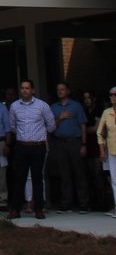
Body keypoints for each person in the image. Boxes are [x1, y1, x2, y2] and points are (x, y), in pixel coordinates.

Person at [6, 79, 55, 220]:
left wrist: (40, 133)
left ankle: (38, 209)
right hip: (21, 146)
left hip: (38, 146)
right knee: (19, 178)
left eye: (27, 88)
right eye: (22, 88)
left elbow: (51, 125)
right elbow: (13, 126)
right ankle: (15, 209)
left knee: (37, 178)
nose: (24, 90)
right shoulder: (14, 106)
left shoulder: (42, 106)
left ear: (32, 90)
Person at [49, 82, 90, 212]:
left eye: (62, 89)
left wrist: (83, 144)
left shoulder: (76, 106)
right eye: (58, 89)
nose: (60, 91)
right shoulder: (53, 107)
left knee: (79, 173)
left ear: (68, 91)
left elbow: (83, 126)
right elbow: (50, 127)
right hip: (59, 143)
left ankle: (84, 204)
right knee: (64, 173)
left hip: (74, 142)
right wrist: (60, 118)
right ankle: (66, 203)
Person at [97, 87, 116, 217]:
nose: (113, 97)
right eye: (111, 95)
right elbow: (100, 133)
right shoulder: (106, 112)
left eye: (115, 95)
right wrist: (102, 151)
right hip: (112, 150)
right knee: (114, 180)